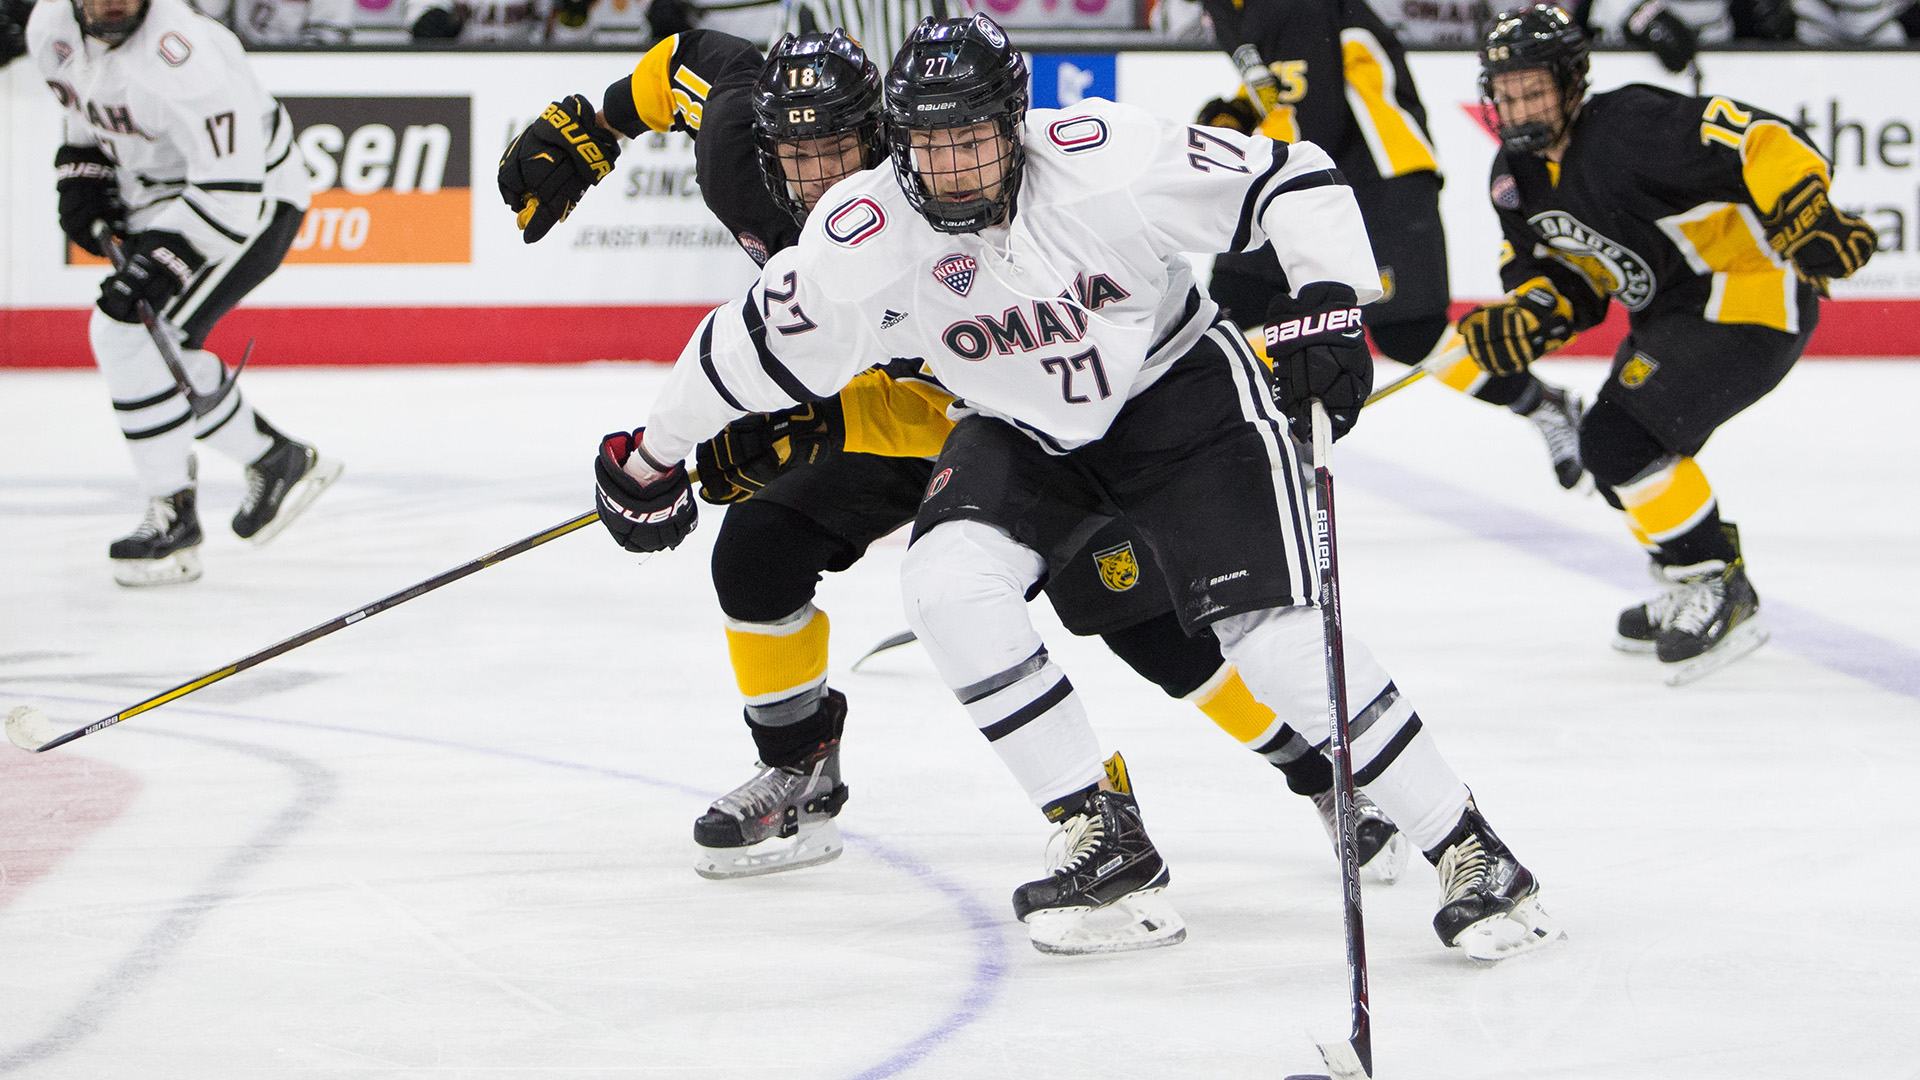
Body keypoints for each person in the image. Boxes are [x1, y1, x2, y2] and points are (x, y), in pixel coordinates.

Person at [586, 13, 1560, 961]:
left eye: (973, 140)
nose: (953, 168)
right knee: (948, 587)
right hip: (1026, 425)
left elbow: (1289, 177)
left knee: (1273, 642)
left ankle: (1469, 846)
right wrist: (654, 455)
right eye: (931, 146)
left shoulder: (1105, 155)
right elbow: (742, 347)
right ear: (901, 145)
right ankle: (1103, 833)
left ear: (1013, 125)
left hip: (1177, 394)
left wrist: (1327, 301)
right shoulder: (864, 227)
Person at [1466, 4, 1876, 682]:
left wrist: (1804, 206)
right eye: (1506, 93)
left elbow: (1762, 138)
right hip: (1675, 314)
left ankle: (1716, 582)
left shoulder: (1632, 126)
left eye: (1533, 88)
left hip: (1750, 296)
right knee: (1614, 458)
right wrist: (1532, 312)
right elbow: (1562, 280)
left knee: (1618, 442)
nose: (1519, 107)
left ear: (1573, 83)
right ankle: (1690, 574)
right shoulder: (1514, 180)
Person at [1194, 0, 1589, 490]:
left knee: (1410, 333)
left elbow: (1320, 115)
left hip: (1379, 173)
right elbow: (1284, 86)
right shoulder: (1235, 8)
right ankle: (1272, 441)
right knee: (1234, 311)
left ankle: (1541, 402)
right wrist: (1239, 113)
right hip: (1299, 173)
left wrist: (1243, 145)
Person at [27, 0, 342, 587]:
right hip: (163, 198)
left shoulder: (186, 54)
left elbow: (232, 192)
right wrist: (84, 178)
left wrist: (165, 264)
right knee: (142, 346)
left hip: (254, 204)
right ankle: (274, 462)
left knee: (125, 336)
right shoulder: (51, 28)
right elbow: (87, 118)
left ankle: (177, 515)